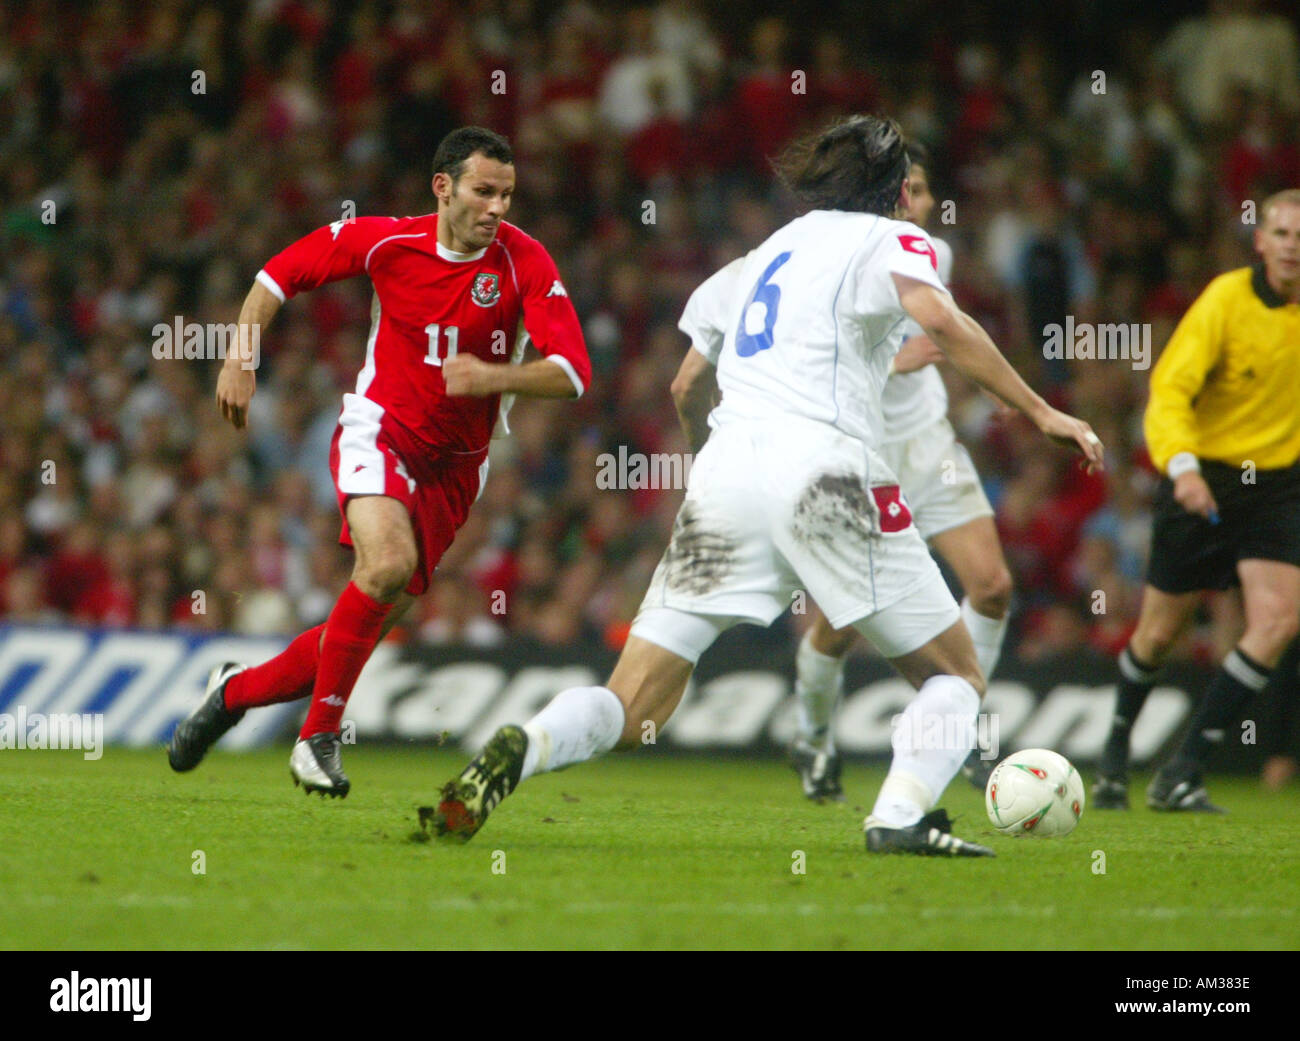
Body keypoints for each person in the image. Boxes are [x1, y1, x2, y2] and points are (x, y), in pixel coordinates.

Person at [421, 115, 1103, 856]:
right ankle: (900, 814)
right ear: (890, 191)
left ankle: (530, 742)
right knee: (956, 673)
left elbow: (687, 382)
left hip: (725, 478)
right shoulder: (889, 238)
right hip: (826, 472)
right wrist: (1038, 408)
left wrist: (709, 465)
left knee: (635, 701)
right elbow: (940, 317)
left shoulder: (764, 252)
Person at [167, 126, 591, 797]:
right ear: (443, 187)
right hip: (381, 432)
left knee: (365, 620)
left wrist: (494, 378)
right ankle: (317, 739)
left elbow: (572, 371)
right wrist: (241, 355)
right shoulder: (387, 240)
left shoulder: (525, 262)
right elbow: (277, 275)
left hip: (457, 469)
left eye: (507, 195)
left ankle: (232, 691)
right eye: (484, 191)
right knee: (386, 565)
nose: (498, 208)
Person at [673, 143, 1013, 803]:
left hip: (921, 442)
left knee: (992, 585)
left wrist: (970, 363)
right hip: (847, 446)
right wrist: (953, 357)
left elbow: (934, 334)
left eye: (919, 190)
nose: (909, 202)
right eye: (902, 188)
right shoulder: (835, 254)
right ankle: (815, 734)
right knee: (841, 625)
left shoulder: (924, 252)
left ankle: (967, 730)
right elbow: (915, 343)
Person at [1094, 188, 1300, 811]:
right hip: (1204, 475)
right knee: (1159, 634)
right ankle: (1113, 756)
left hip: (1277, 485)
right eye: (1283, 234)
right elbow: (1170, 389)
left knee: (1279, 620)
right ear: (1260, 241)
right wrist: (1181, 469)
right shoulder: (1225, 302)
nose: (1294, 247)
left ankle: (1184, 768)